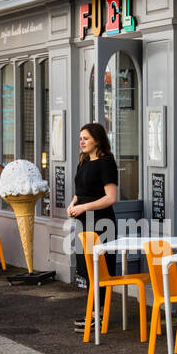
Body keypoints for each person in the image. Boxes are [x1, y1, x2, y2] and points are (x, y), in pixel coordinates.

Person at [68, 122, 119, 328]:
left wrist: (83, 207)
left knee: (101, 269)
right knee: (88, 270)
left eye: (86, 138)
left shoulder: (106, 163)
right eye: (80, 138)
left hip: (101, 222)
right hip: (83, 221)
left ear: (97, 140)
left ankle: (99, 316)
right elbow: (81, 190)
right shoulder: (83, 162)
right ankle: (93, 314)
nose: (82, 142)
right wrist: (73, 203)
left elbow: (111, 198)